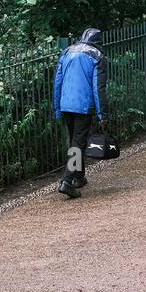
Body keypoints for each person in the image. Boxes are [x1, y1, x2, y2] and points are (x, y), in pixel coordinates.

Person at [52, 27, 109, 198]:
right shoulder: (97, 56)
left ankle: (78, 176)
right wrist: (102, 114)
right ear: (98, 42)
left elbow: (58, 82)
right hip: (83, 106)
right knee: (78, 143)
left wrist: (57, 108)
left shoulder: (67, 51)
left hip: (65, 104)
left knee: (75, 141)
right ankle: (67, 181)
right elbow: (98, 88)